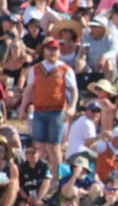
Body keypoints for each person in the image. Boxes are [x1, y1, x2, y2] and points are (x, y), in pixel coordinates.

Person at [19, 38, 77, 186]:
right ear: (44, 51)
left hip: (57, 111)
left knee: (55, 146)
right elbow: (29, 89)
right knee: (39, 146)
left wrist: (72, 106)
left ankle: (59, 178)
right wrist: (23, 107)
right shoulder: (36, 69)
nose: (52, 52)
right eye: (50, 49)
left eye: (55, 49)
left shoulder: (65, 69)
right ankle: (43, 177)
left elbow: (73, 90)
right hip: (39, 110)